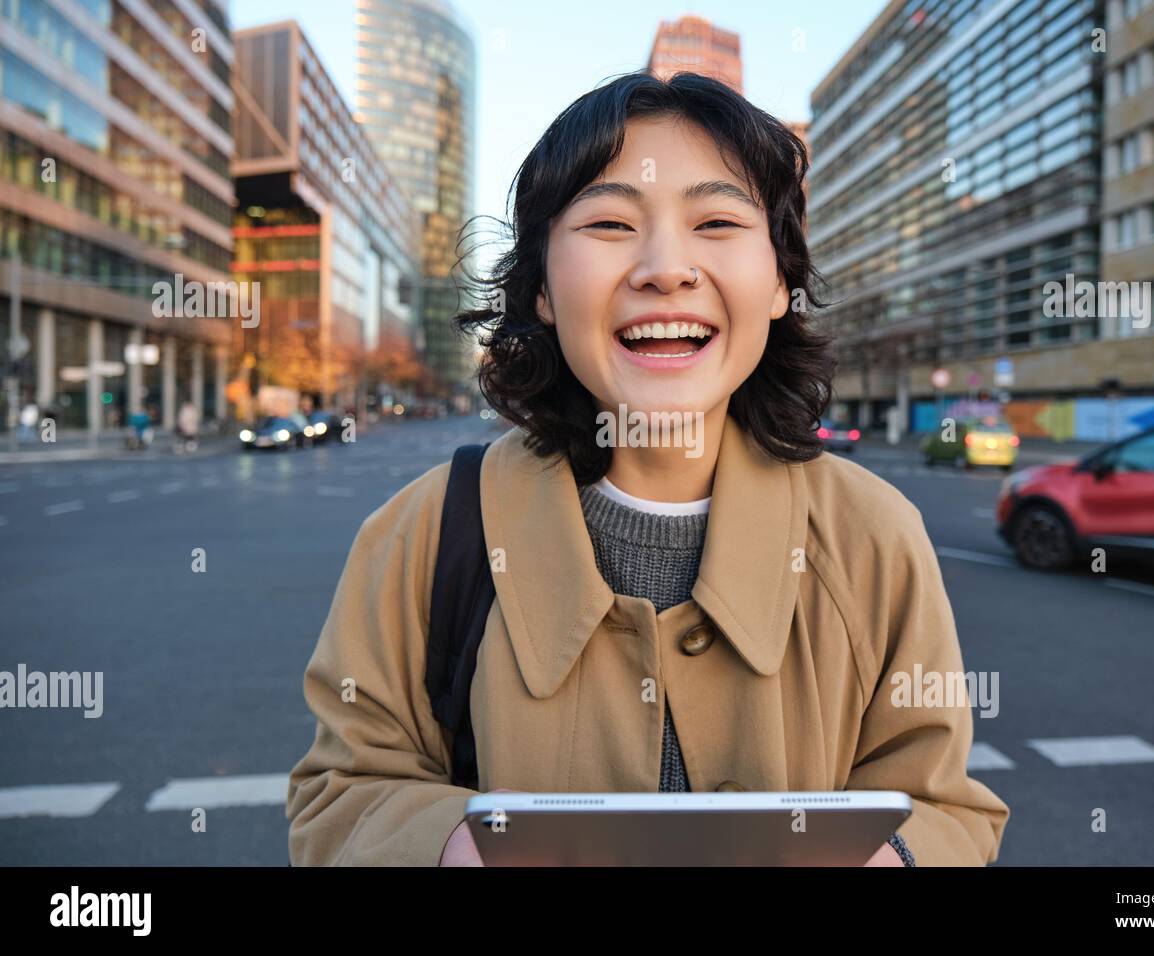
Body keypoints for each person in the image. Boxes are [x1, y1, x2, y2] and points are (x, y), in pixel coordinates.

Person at [286, 71, 1010, 867]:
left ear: (778, 283)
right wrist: (451, 847)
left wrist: (897, 858)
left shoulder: (875, 534)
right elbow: (339, 795)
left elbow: (944, 804)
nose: (666, 267)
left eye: (717, 221)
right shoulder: (422, 534)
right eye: (609, 223)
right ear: (543, 291)